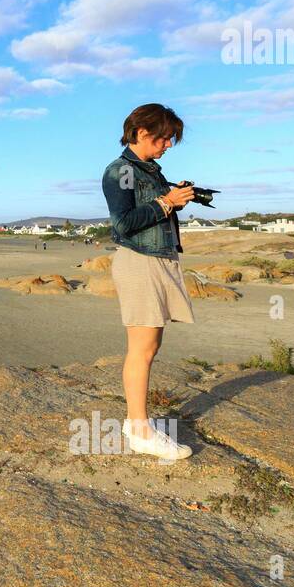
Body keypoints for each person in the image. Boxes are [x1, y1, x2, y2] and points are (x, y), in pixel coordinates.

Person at [100, 103, 196, 461]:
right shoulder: (120, 171)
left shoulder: (149, 170)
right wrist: (167, 202)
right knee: (141, 348)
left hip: (157, 259)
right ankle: (140, 430)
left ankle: (134, 422)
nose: (169, 145)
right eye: (165, 137)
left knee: (151, 346)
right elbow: (122, 224)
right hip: (139, 262)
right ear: (142, 133)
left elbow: (150, 211)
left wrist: (174, 200)